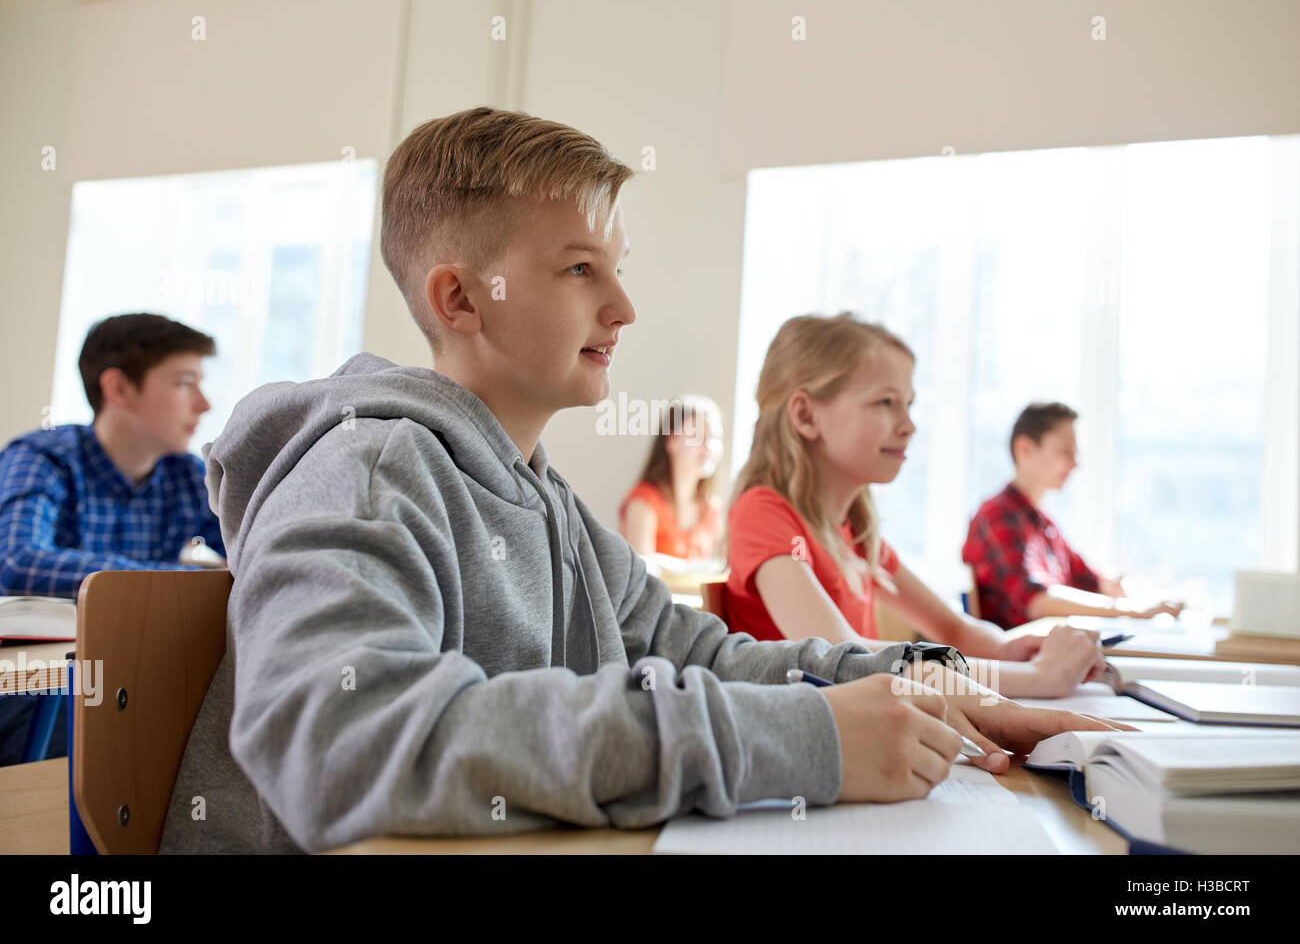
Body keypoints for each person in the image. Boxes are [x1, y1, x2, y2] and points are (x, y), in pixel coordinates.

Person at [159, 107, 1131, 854]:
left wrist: (934, 687)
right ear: (459, 297)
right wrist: (797, 738)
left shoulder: (546, 502)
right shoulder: (368, 468)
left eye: (615, 268)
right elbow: (342, 739)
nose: (622, 305)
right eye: (580, 268)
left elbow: (701, 653)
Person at [723, 313, 1107, 699]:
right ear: (806, 416)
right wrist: (1033, 679)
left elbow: (955, 630)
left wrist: (1008, 651)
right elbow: (843, 657)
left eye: (908, 404)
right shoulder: (762, 513)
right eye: (885, 402)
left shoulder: (854, 532)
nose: (908, 425)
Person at [0, 312, 224, 764]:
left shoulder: (185, 476)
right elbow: (18, 561)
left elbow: (252, 554)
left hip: (115, 673)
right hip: (31, 684)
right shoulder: (42, 457)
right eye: (184, 383)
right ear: (118, 388)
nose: (203, 404)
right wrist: (172, 579)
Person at [963, 402, 1184, 628]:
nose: (1075, 463)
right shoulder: (997, 515)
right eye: (1066, 451)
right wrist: (1132, 610)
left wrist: (1111, 586)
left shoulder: (1042, 524)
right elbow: (1038, 601)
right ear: (1025, 449)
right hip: (1023, 659)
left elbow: (1089, 580)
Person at [618, 395, 724, 572]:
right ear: (670, 440)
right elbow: (639, 569)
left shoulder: (711, 509)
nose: (709, 448)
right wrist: (687, 569)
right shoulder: (644, 502)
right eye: (697, 436)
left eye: (715, 438)